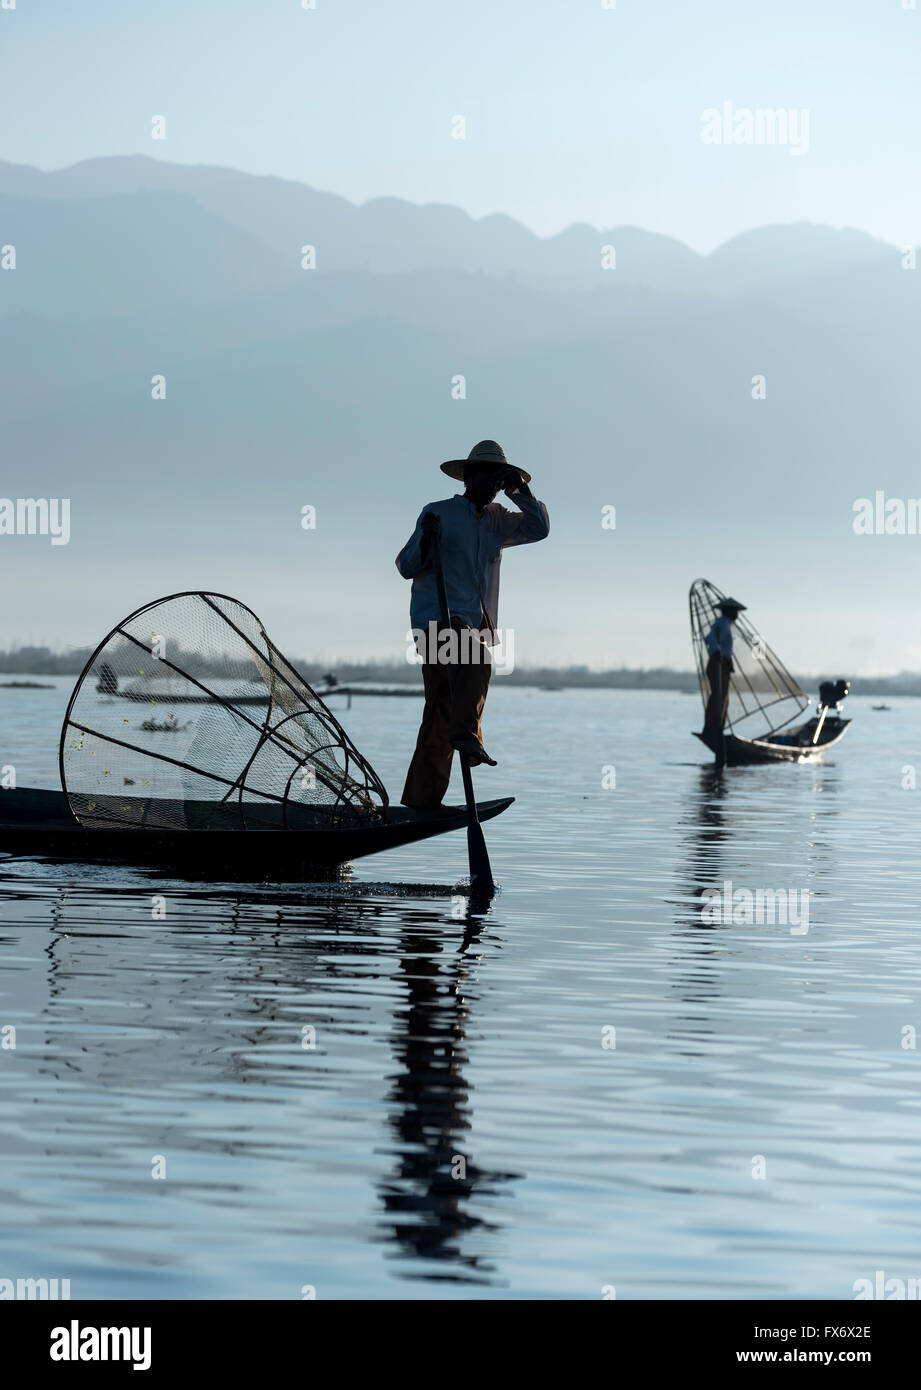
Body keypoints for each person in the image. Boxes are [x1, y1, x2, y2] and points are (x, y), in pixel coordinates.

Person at [396, 440, 550, 810]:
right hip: (436, 620)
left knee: (441, 709)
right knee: (479, 659)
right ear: (469, 477)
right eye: (489, 477)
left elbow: (540, 527)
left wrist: (519, 489)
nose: (494, 486)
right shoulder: (438, 513)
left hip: (470, 621)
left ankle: (421, 800)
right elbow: (406, 565)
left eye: (499, 480)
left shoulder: (498, 520)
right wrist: (427, 543)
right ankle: (466, 737)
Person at [702, 597, 746, 739]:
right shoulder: (722, 624)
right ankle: (713, 728)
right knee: (718, 696)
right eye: (734, 612)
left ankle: (715, 727)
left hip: (722, 664)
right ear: (728, 612)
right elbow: (710, 638)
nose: (736, 615)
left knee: (721, 696)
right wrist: (717, 652)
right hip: (718, 664)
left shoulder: (725, 624)